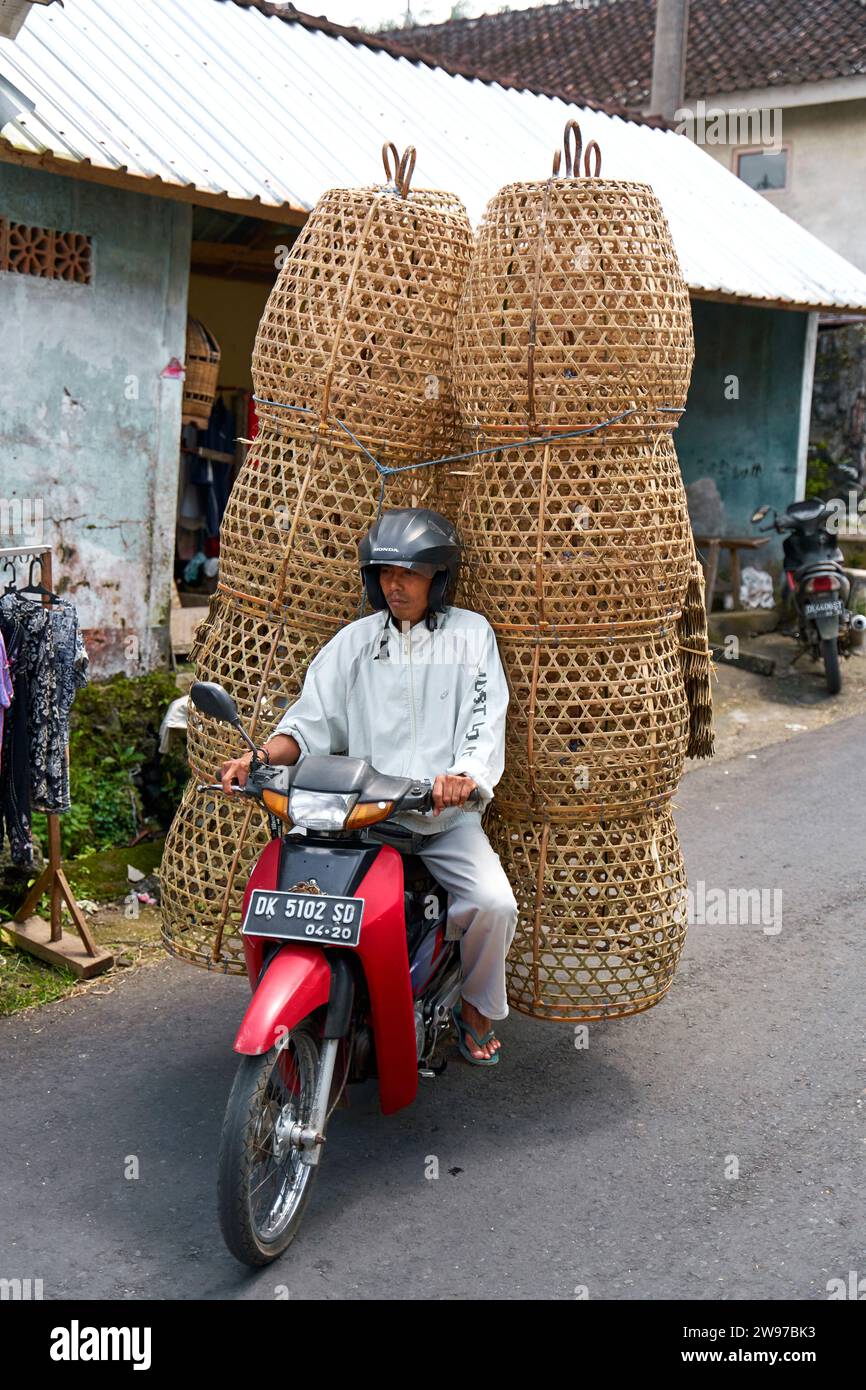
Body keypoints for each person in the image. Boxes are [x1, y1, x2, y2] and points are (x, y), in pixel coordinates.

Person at [220, 508, 518, 1065]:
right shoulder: (354, 643)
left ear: (438, 577)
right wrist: (258, 755)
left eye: (408, 573)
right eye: (384, 573)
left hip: (441, 819)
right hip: (362, 819)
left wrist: (464, 777)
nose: (394, 585)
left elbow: (484, 717)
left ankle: (475, 1010)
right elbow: (308, 722)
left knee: (493, 904)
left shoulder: (470, 636)